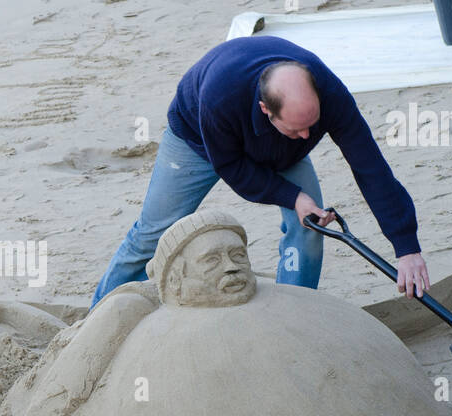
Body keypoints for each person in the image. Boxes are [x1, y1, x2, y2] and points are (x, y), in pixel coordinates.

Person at [91, 36, 428, 309]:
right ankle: (97, 319)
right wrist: (291, 195)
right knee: (151, 233)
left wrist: (406, 247)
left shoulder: (330, 95)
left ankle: (292, 316)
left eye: (313, 126)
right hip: (196, 141)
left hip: (279, 149)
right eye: (298, 129)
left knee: (309, 225)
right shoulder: (219, 97)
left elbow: (370, 167)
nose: (309, 137)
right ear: (266, 109)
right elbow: (234, 170)